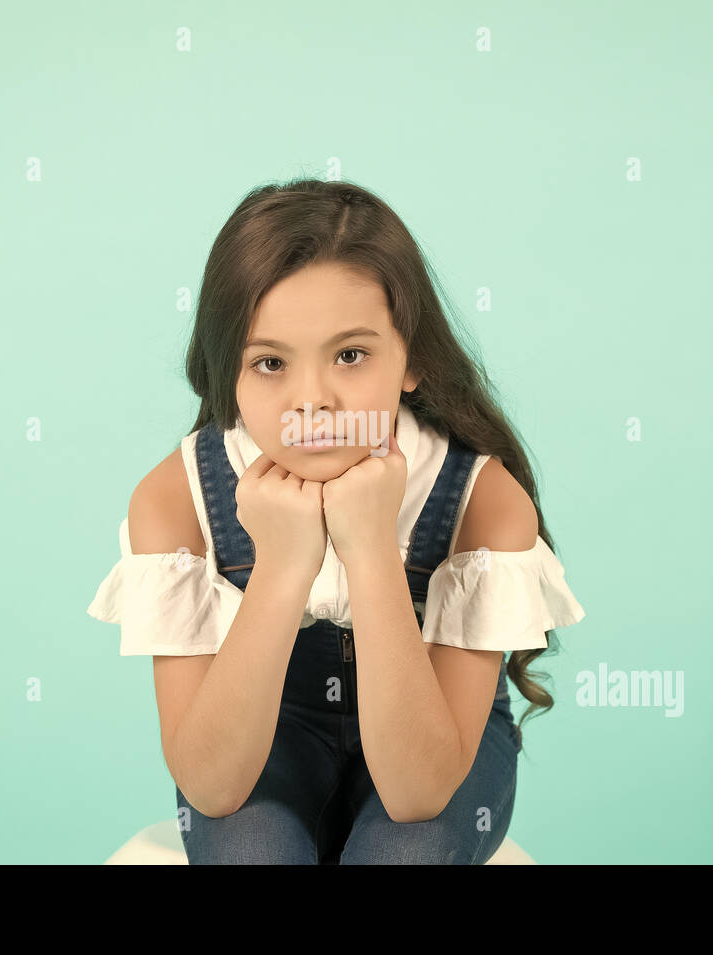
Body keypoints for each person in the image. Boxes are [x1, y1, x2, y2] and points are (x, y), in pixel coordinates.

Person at [87, 178, 586, 864]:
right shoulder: (176, 501)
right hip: (269, 731)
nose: (313, 401)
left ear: (412, 360)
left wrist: (372, 548)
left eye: (350, 355)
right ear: (227, 372)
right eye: (269, 363)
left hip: (437, 738)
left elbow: (418, 792)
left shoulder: (484, 502)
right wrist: (285, 564)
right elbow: (210, 782)